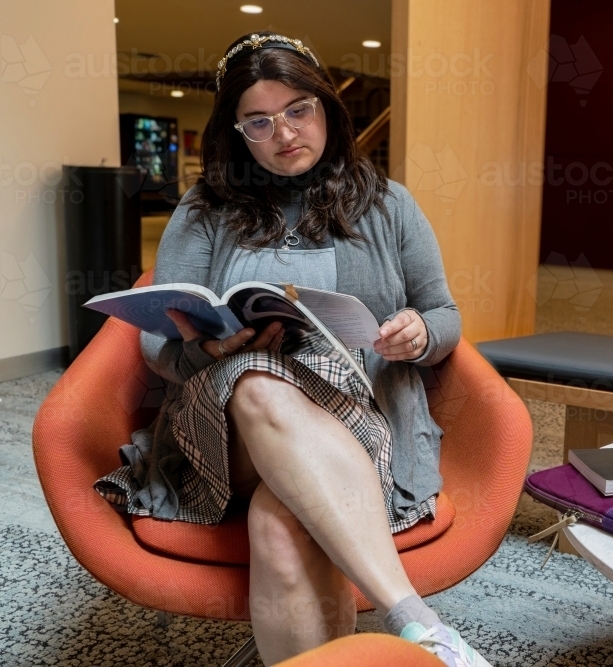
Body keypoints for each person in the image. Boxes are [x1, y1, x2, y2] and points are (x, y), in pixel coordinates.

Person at [94, 31, 491, 667]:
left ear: (327, 107)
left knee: (281, 525)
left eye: (298, 110)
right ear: (235, 132)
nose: (284, 133)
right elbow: (156, 346)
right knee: (255, 378)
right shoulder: (204, 210)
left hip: (361, 423)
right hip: (226, 439)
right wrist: (212, 349)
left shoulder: (389, 205)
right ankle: (413, 617)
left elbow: (444, 316)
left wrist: (419, 334)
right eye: (259, 121)